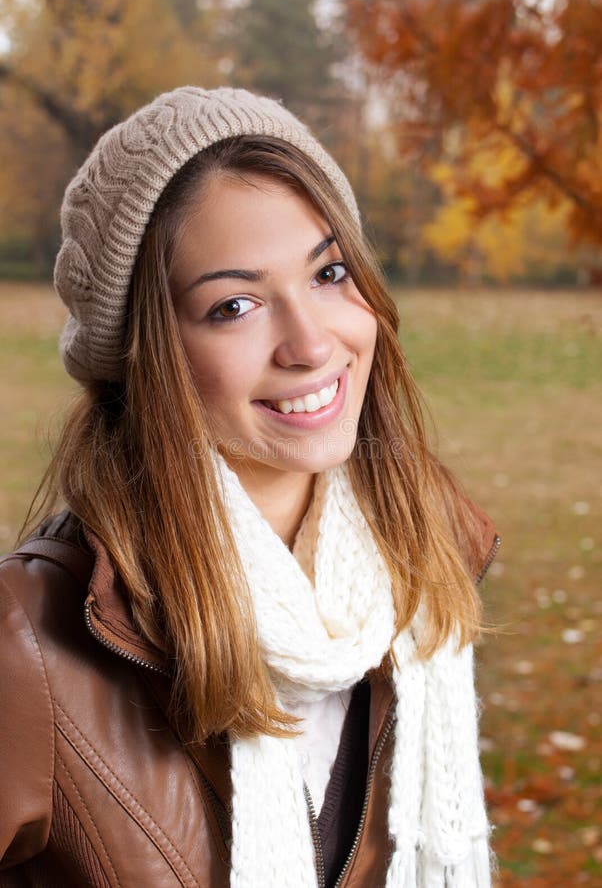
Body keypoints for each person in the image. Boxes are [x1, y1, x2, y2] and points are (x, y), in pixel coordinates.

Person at [0, 87, 499, 888]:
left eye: (330, 272)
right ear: (146, 353)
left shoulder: (418, 568)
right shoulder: (30, 644)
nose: (311, 343)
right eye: (234, 305)